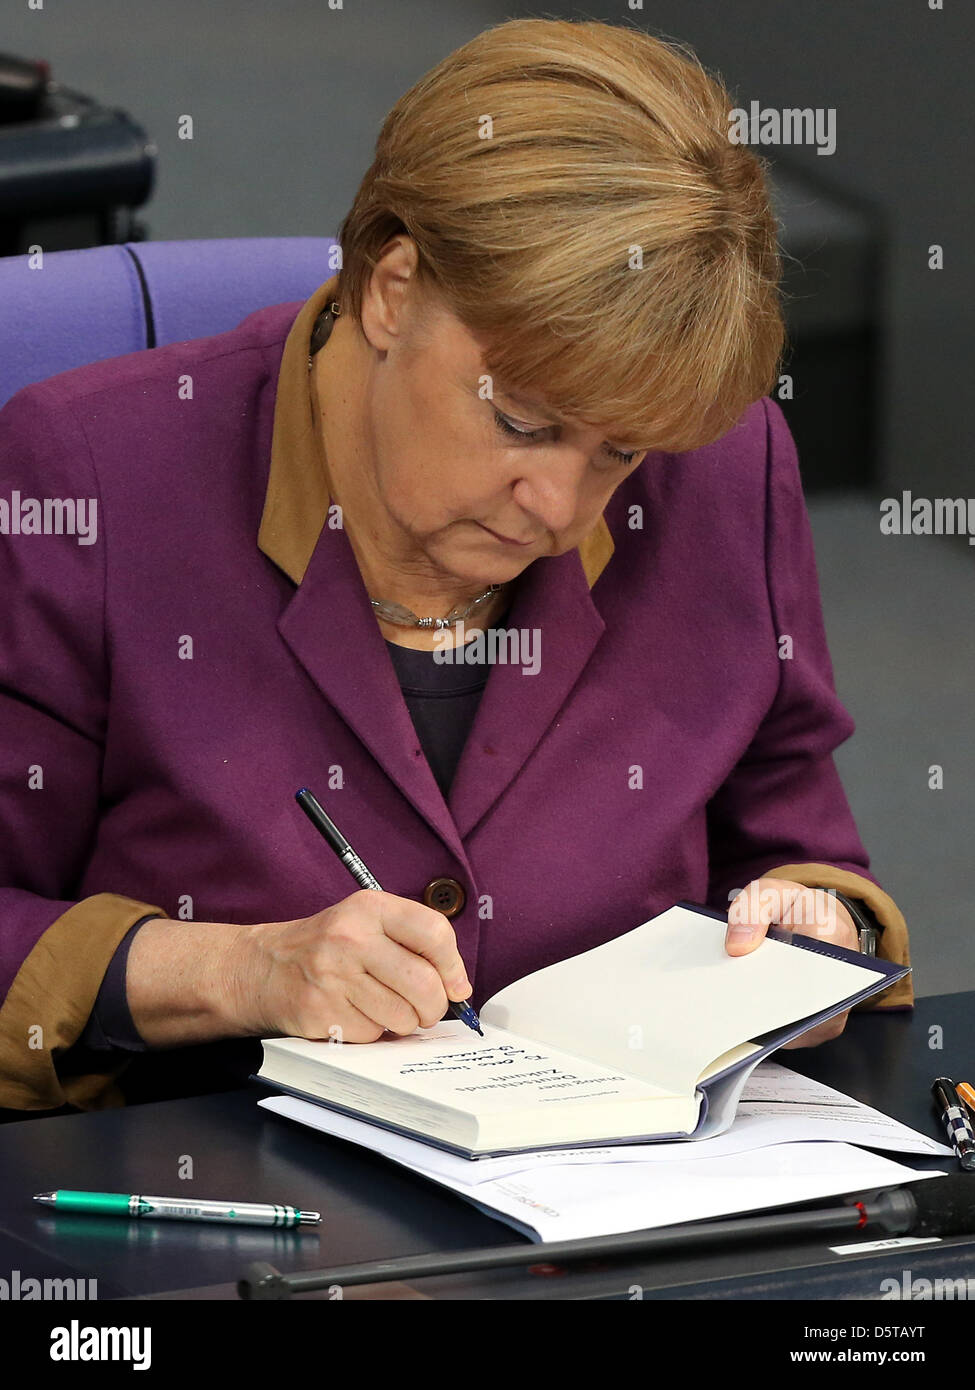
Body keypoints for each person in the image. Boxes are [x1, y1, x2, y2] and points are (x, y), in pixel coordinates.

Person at [0, 18, 911, 1120]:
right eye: (523, 423)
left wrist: (821, 925)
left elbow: (799, 844)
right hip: (230, 1199)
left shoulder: (717, 464)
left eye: (618, 452)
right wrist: (240, 970)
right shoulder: (87, 480)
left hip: (622, 1208)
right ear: (391, 290)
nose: (561, 505)